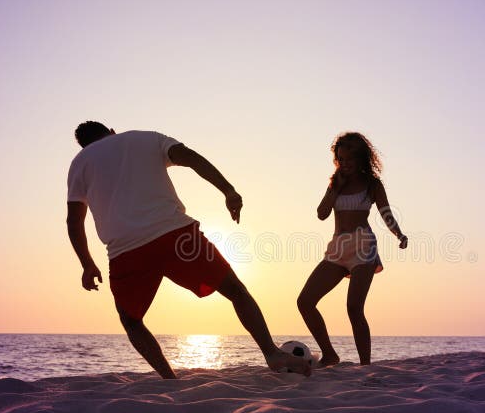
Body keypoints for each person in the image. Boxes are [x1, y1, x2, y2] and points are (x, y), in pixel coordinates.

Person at [66, 121, 311, 378]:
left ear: (84, 146)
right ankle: (271, 353)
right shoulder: (145, 138)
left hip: (126, 252)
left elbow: (74, 221)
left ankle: (168, 379)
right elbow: (193, 159)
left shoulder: (80, 163)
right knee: (236, 291)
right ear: (112, 131)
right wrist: (228, 191)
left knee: (131, 321)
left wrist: (87, 264)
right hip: (177, 236)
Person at [297, 132, 408, 366]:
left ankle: (365, 365)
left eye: (350, 159)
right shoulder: (335, 183)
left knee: (354, 307)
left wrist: (399, 233)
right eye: (341, 159)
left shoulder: (372, 184)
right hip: (338, 247)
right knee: (305, 301)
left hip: (363, 246)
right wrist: (335, 189)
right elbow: (321, 214)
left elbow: (386, 213)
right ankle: (330, 354)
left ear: (361, 158)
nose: (345, 163)